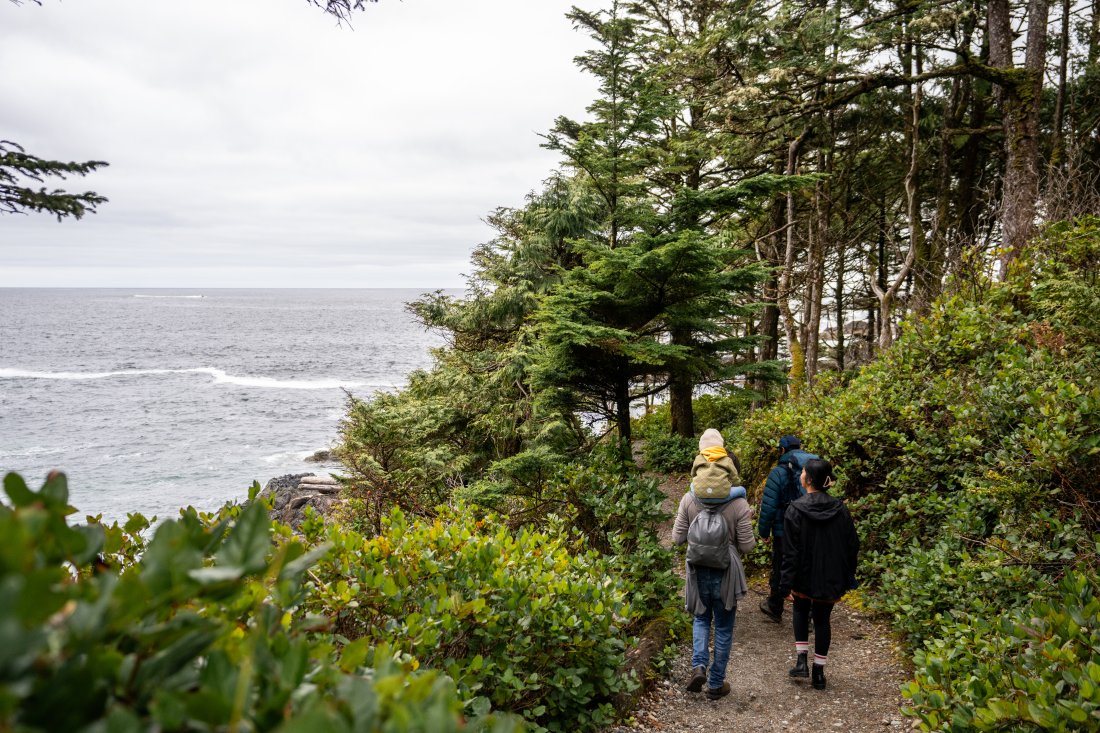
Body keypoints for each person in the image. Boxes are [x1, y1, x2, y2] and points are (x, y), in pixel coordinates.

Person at [673, 429, 756, 701]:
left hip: (697, 570)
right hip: (727, 574)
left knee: (700, 618)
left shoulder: (689, 499)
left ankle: (698, 665)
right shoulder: (739, 503)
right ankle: (716, 683)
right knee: (722, 626)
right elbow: (747, 546)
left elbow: (676, 538)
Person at [779, 458, 859, 690]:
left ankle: (801, 661)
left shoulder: (795, 509)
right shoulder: (840, 509)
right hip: (830, 575)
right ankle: (819, 673)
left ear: (809, 479)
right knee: (823, 620)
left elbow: (789, 552)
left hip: (802, 575)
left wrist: (785, 584)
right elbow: (852, 545)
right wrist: (847, 575)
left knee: (800, 610)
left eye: (803, 471)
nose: (801, 474)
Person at [756, 435, 816, 623]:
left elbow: (769, 507)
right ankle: (808, 614)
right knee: (807, 567)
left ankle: (775, 607)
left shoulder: (777, 473)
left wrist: (764, 532)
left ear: (782, 451)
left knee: (780, 567)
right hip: (811, 529)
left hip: (784, 531)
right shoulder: (813, 468)